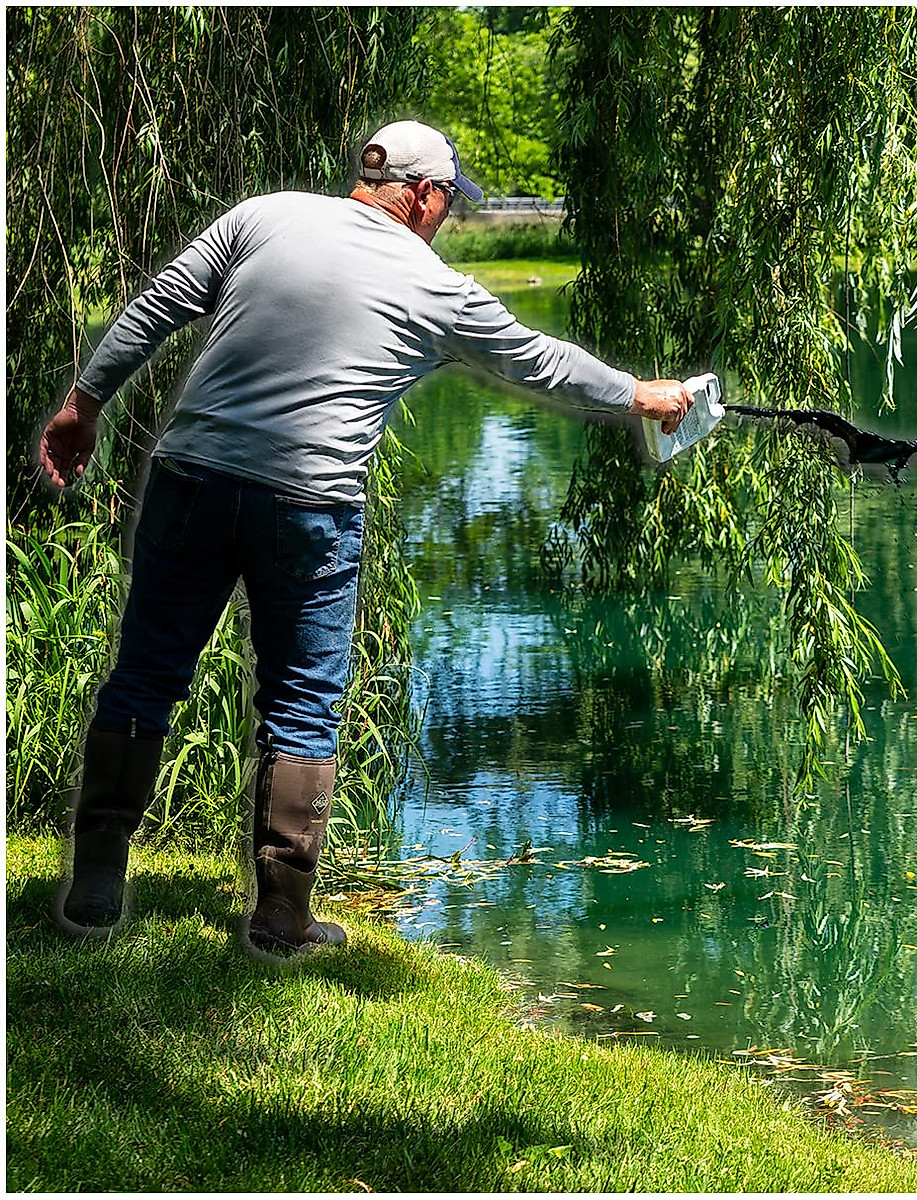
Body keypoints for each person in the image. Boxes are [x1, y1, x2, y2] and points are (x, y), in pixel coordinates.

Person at [38, 119, 694, 957]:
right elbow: (540, 362)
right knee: (304, 700)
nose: (448, 218)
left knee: (146, 672)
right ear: (420, 195)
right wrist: (638, 393)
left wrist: (84, 403)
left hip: (190, 477)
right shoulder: (436, 287)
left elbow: (159, 303)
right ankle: (281, 917)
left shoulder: (263, 216)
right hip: (306, 505)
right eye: (449, 201)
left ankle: (96, 882)